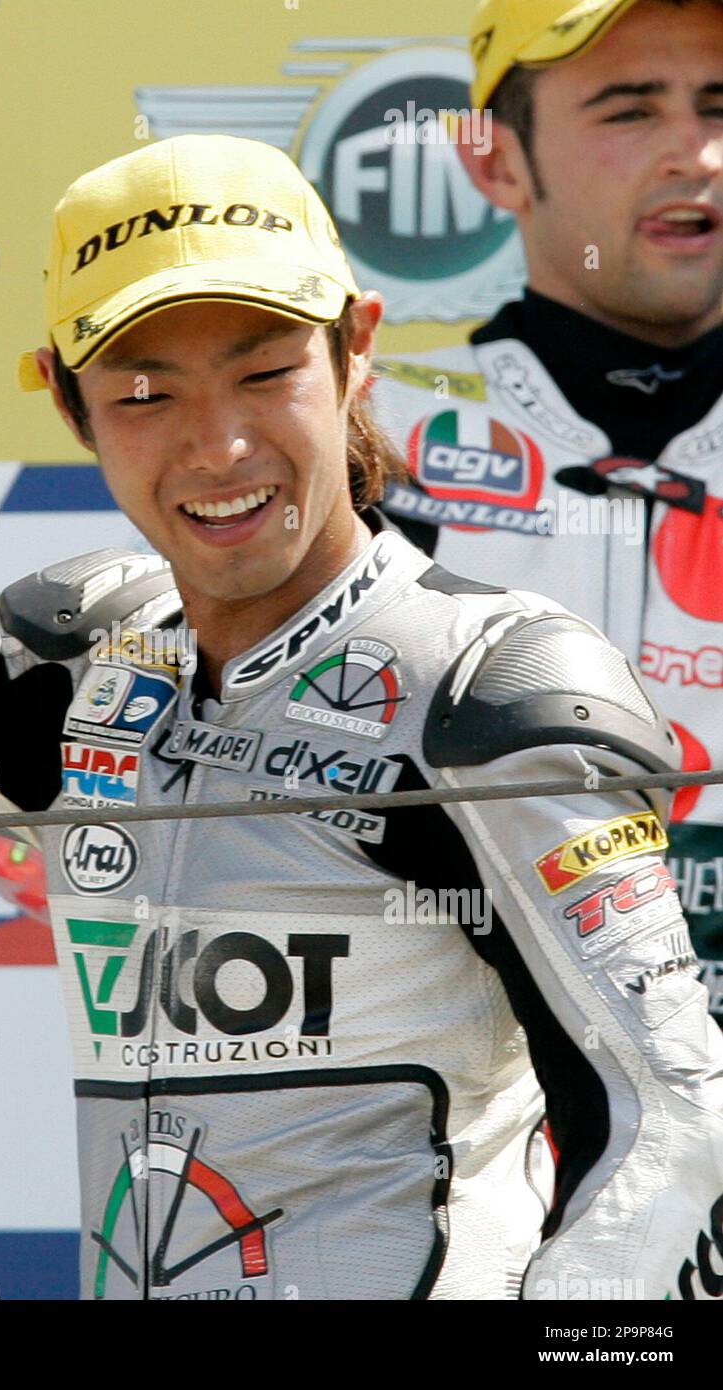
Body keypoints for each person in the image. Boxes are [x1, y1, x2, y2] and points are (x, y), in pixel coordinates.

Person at [0, 76, 723, 1301]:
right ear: (69, 405)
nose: (217, 445)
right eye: (143, 392)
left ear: (356, 351)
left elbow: (673, 1120)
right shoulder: (84, 670)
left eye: (264, 370)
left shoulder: (488, 686)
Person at [373, 0, 723, 1027]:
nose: (694, 153)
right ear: (494, 162)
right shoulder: (373, 438)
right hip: (469, 1125)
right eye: (629, 111)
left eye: (718, 104)